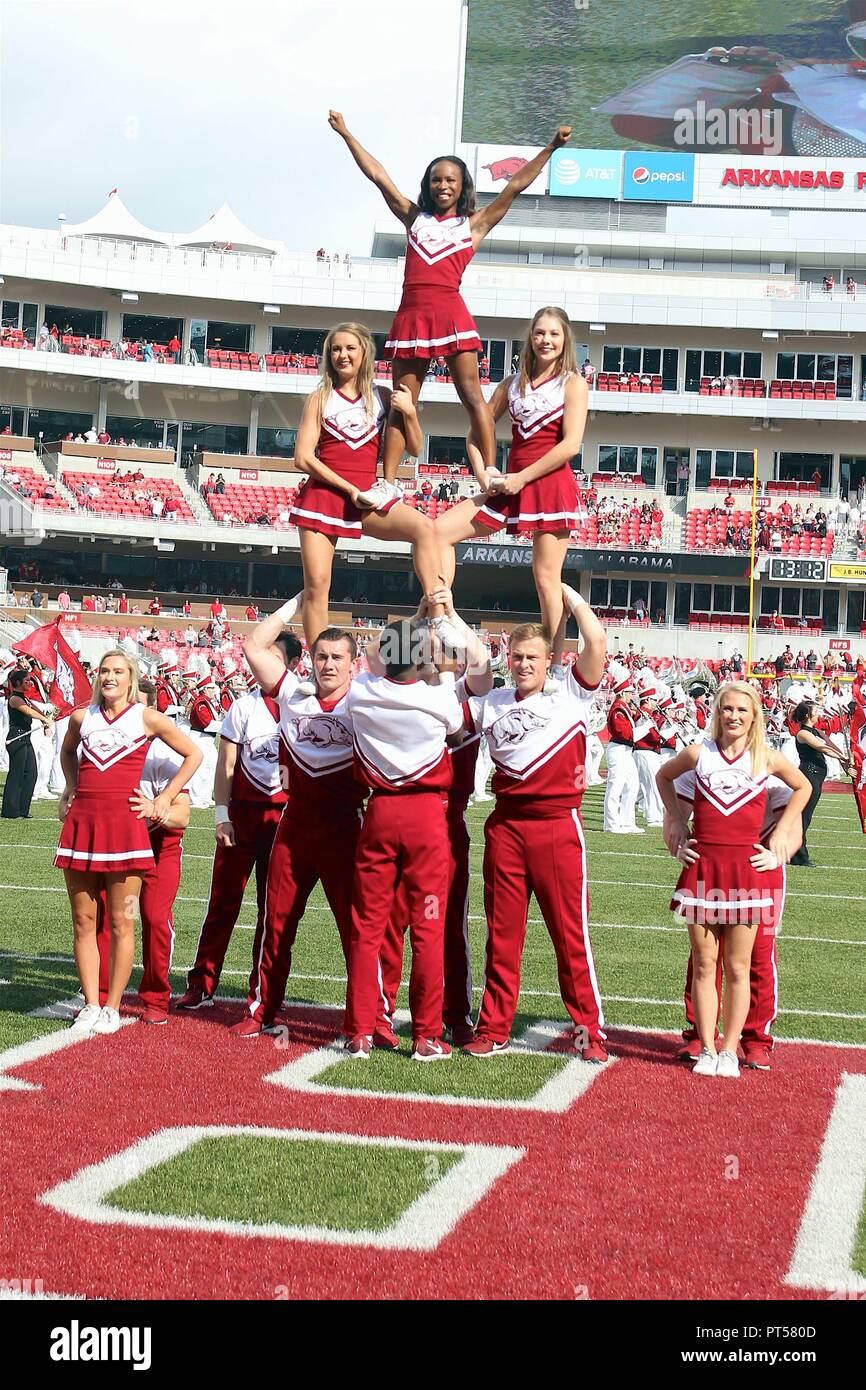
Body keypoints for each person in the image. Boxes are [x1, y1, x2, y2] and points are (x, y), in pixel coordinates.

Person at [329, 109, 570, 507]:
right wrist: (345, 132)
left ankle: (488, 476)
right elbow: (378, 175)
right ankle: (388, 482)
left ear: (462, 187)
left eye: (450, 180)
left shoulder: (473, 225)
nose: (443, 186)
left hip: (451, 316)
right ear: (428, 185)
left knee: (473, 397)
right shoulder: (414, 218)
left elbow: (515, 185)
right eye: (436, 179)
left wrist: (552, 147)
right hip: (412, 316)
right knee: (402, 399)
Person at [231, 600, 388, 1042]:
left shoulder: (366, 698)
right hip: (295, 824)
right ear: (309, 660)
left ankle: (373, 1017)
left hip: (347, 826)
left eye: (338, 657)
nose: (328, 665)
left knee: (358, 927)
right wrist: (301, 600)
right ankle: (261, 1008)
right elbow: (254, 645)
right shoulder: (292, 693)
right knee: (276, 922)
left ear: (353, 663)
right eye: (321, 656)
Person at [460, 586, 607, 1058]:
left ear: (550, 661)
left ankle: (588, 1031)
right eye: (517, 656)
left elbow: (597, 643)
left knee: (570, 937)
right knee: (502, 934)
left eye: (533, 657)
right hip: (505, 828)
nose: (523, 664)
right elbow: (457, 692)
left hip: (557, 826)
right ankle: (494, 1027)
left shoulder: (571, 694)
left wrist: (570, 596)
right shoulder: (492, 702)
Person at [656, 682, 810, 1078]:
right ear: (717, 712)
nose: (734, 716)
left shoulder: (770, 760)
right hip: (709, 866)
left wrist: (779, 847)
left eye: (743, 710)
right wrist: (676, 833)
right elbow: (675, 807)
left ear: (755, 715)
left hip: (754, 866)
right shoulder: (700, 755)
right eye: (727, 709)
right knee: (703, 962)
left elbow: (794, 810)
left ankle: (752, 1041)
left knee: (753, 959)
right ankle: (700, 1039)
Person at [54, 650, 200, 1036]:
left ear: (131, 678)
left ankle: (113, 1007)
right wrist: (71, 786)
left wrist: (164, 798)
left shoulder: (147, 718)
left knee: (122, 921)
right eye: (104, 670)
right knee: (84, 921)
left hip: (126, 832)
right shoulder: (81, 717)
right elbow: (68, 751)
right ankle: (90, 1003)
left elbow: (194, 753)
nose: (109, 677)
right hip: (83, 826)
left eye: (118, 671)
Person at [342, 614, 468, 1059]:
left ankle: (359, 1030)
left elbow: (377, 663)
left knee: (367, 925)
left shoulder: (360, 693)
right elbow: (457, 724)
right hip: (426, 818)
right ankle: (426, 1035)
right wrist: (437, 659)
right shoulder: (439, 699)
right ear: (421, 658)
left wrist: (408, 636)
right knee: (428, 927)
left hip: (378, 812)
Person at [378, 588, 493, 1047]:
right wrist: (418, 617)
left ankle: (456, 1012)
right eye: (424, 647)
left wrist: (451, 616)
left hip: (447, 826)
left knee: (447, 925)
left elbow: (482, 668)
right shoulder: (392, 691)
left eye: (442, 648)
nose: (434, 654)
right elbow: (380, 659)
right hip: (395, 817)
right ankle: (381, 1012)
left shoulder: (469, 696)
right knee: (388, 920)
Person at [435, 307, 586, 640]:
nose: (546, 340)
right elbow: (476, 432)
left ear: (565, 340)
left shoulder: (573, 383)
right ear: (530, 338)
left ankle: (554, 661)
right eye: (540, 333)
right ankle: (444, 618)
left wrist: (522, 477)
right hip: (510, 485)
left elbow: (571, 445)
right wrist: (483, 473)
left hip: (549, 485)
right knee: (439, 531)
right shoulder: (511, 384)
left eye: (554, 334)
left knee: (546, 579)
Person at [288, 321, 440, 648]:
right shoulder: (320, 398)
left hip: (368, 496)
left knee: (425, 528)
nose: (342, 355)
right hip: (326, 496)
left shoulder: (382, 396)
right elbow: (302, 458)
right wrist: (349, 489)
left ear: (364, 353)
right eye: (336, 349)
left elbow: (414, 448)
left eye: (349, 348)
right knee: (316, 584)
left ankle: (438, 614)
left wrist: (410, 413)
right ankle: (320, 664)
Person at [177, 630, 302, 1011]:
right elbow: (227, 765)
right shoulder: (243, 707)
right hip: (243, 815)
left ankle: (260, 993)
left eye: (276, 659)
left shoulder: (303, 704)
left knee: (273, 910)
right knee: (222, 902)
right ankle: (202, 982)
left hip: (284, 818)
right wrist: (221, 814)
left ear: (293, 665)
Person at [789, 701, 849, 867]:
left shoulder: (815, 731)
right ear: (808, 715)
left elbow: (828, 745)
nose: (818, 714)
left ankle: (796, 853)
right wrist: (842, 757)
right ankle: (798, 856)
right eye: (815, 711)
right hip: (808, 776)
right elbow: (822, 748)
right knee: (804, 816)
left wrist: (845, 760)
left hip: (815, 777)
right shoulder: (803, 733)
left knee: (805, 816)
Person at [1, 670, 53, 819]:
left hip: (25, 739)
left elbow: (37, 710)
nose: (29, 683)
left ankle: (23, 809)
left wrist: (46, 719)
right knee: (16, 775)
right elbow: (29, 712)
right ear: (17, 683)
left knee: (31, 773)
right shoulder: (14, 699)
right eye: (26, 681)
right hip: (16, 739)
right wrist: (44, 719)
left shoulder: (25, 698)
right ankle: (10, 811)